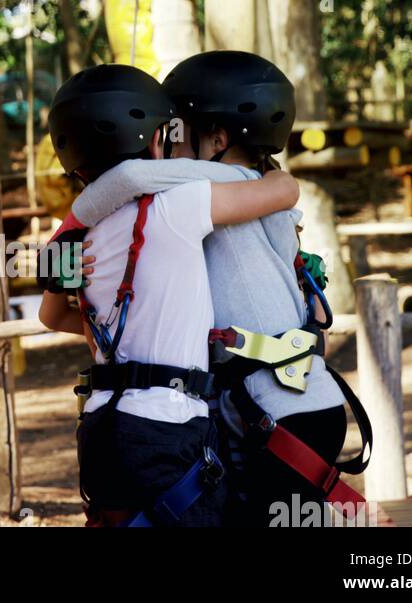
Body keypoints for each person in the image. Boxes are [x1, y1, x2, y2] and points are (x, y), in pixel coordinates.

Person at [67, 51, 370, 527]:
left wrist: (71, 230)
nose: (169, 147)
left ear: (217, 138)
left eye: (178, 133)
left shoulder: (209, 193)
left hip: (270, 416)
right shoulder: (253, 191)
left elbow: (127, 177)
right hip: (302, 405)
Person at [37, 63, 300, 527]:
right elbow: (282, 191)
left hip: (99, 429)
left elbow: (51, 315)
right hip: (166, 428)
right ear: (153, 139)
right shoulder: (176, 207)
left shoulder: (78, 236)